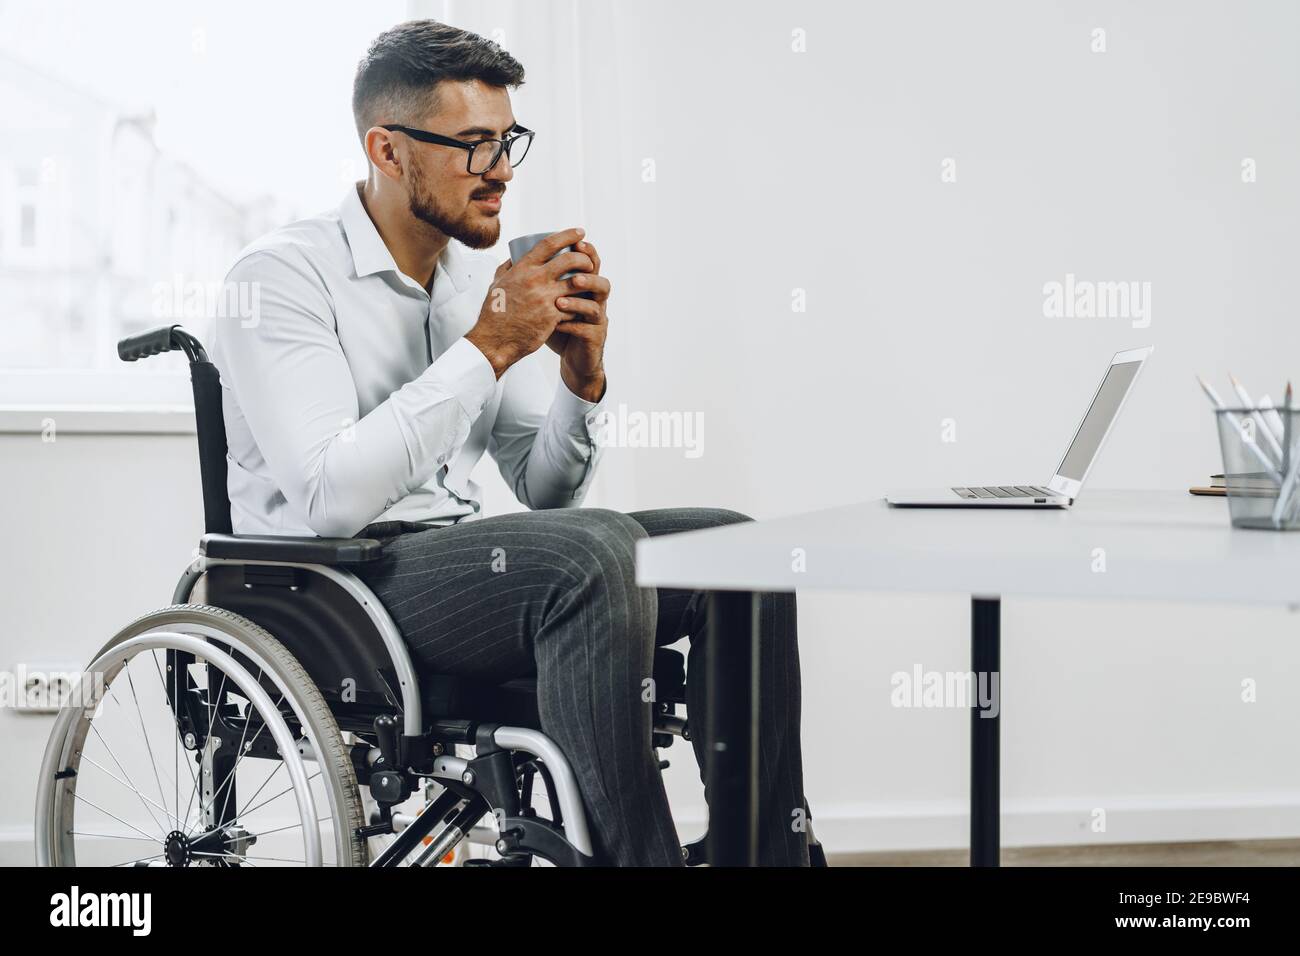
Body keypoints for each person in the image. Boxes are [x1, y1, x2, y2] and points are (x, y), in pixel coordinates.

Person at [212, 19, 813, 866]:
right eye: (472, 145)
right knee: (594, 551)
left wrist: (579, 379)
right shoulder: (281, 278)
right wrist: (491, 344)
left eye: (506, 142)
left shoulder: (470, 281)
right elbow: (328, 499)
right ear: (389, 151)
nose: (499, 170)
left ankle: (765, 853)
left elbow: (545, 492)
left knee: (735, 546)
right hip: (337, 586)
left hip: (459, 569)